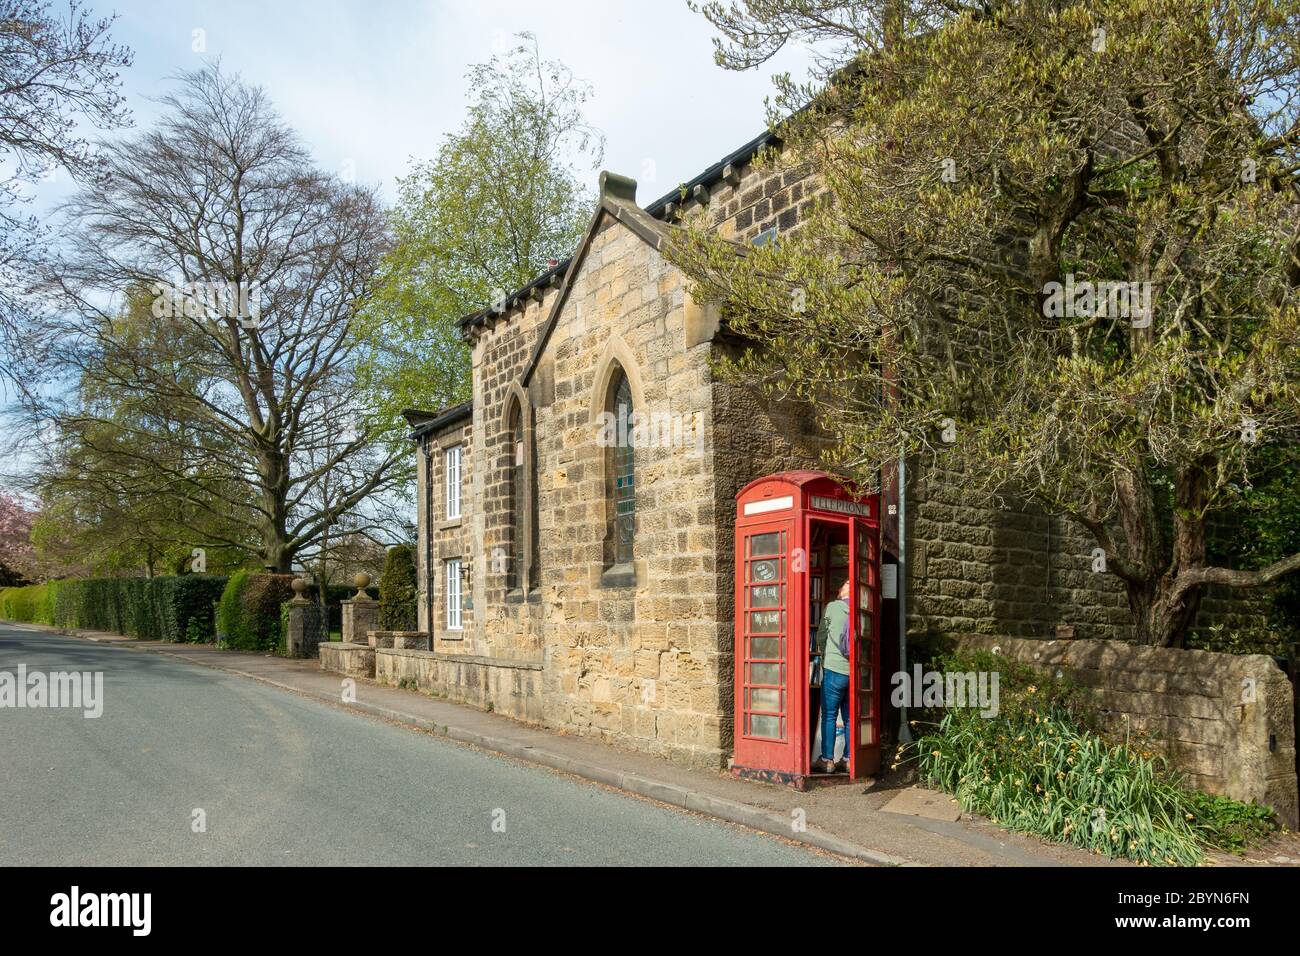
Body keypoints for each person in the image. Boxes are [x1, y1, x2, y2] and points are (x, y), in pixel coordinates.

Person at [813, 578, 852, 773]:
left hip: (834, 668)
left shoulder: (833, 607)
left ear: (847, 590)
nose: (842, 585)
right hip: (855, 671)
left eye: (846, 583)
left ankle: (827, 759)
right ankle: (849, 759)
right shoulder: (861, 609)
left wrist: (822, 651)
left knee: (829, 714)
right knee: (850, 718)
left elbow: (821, 634)